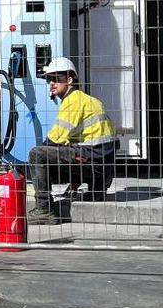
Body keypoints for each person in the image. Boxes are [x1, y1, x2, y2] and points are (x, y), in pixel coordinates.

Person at [25, 57, 118, 221]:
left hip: (93, 162)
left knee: (37, 155)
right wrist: (74, 183)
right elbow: (79, 146)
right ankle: (97, 191)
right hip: (102, 167)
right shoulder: (89, 99)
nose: (52, 83)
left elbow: (54, 140)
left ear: (69, 80)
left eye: (56, 79)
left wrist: (28, 171)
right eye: (49, 79)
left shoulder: (72, 100)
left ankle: (44, 210)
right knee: (65, 150)